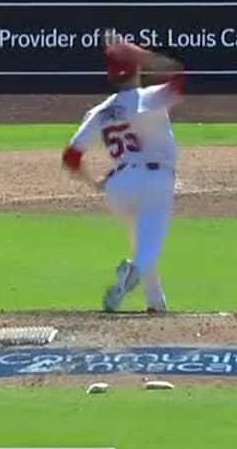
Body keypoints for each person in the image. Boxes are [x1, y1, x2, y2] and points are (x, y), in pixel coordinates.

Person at [61, 34, 188, 314]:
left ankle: (156, 304)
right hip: (154, 181)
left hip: (118, 187)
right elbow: (179, 76)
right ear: (136, 69)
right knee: (149, 248)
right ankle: (130, 274)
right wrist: (143, 54)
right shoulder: (148, 98)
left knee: (142, 242)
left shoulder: (100, 111)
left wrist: (94, 183)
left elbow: (71, 157)